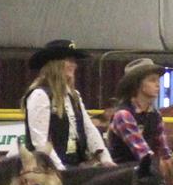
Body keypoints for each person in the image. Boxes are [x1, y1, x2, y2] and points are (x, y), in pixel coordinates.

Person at [22, 39, 111, 169]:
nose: (74, 65)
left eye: (74, 61)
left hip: (74, 165)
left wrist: (105, 157)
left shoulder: (74, 96)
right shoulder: (40, 95)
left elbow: (89, 129)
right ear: (55, 64)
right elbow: (40, 143)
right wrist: (61, 170)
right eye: (69, 60)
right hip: (47, 170)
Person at [105, 58, 173, 165]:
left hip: (143, 172)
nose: (158, 84)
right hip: (121, 174)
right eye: (152, 80)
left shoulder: (155, 115)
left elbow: (164, 150)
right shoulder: (123, 115)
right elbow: (143, 154)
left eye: (158, 80)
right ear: (137, 84)